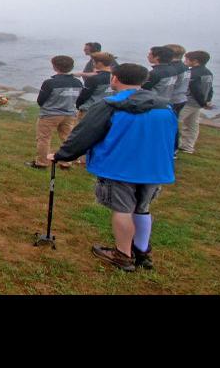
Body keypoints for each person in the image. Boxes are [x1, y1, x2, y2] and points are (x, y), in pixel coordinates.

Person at [50, 63, 177, 272]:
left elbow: (85, 133)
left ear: (114, 78)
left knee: (123, 209)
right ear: (144, 80)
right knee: (142, 208)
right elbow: (173, 138)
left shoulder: (110, 106)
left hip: (119, 166)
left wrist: (62, 155)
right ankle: (141, 251)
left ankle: (123, 254)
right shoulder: (165, 107)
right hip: (154, 167)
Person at [28, 56, 83, 170]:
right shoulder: (78, 82)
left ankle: (42, 163)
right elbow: (79, 99)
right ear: (71, 67)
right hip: (69, 114)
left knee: (44, 138)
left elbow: (40, 100)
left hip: (50, 114)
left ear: (55, 67)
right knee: (67, 138)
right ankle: (66, 163)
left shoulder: (50, 83)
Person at [179, 50, 214, 154]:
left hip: (188, 103)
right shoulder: (208, 73)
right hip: (198, 104)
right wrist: (207, 100)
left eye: (186, 59)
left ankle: (174, 146)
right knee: (192, 125)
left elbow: (196, 90)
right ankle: (187, 146)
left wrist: (203, 103)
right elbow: (210, 89)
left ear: (195, 61)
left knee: (174, 122)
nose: (184, 61)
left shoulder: (192, 73)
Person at [166, 44, 190, 153]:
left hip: (172, 99)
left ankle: (172, 148)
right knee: (174, 123)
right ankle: (174, 147)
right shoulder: (184, 67)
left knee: (170, 124)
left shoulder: (173, 68)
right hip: (181, 97)